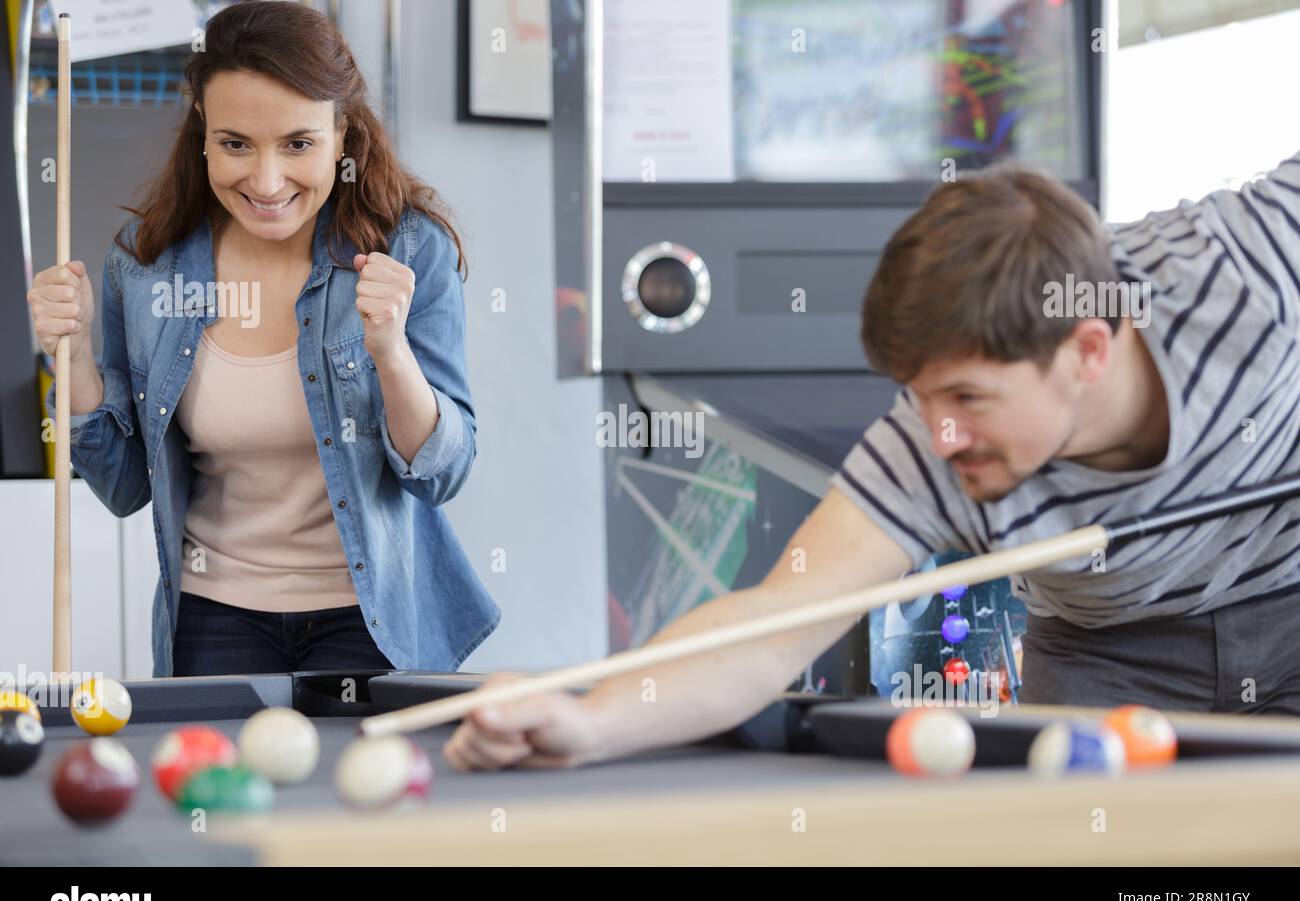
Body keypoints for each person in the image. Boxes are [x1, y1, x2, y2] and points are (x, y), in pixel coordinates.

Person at [446, 155, 1300, 771]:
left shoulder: (1252, 267)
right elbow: (772, 623)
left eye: (967, 398)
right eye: (922, 399)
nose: (942, 436)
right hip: (1108, 651)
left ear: (1084, 350)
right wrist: (591, 723)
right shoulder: (930, 449)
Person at [28, 2, 498, 677]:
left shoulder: (407, 249)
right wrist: (67, 357)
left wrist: (390, 351)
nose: (267, 181)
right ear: (203, 135)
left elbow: (441, 474)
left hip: (373, 620)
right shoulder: (144, 265)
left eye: (298, 144)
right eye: (236, 143)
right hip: (214, 620)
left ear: (342, 136)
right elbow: (126, 486)